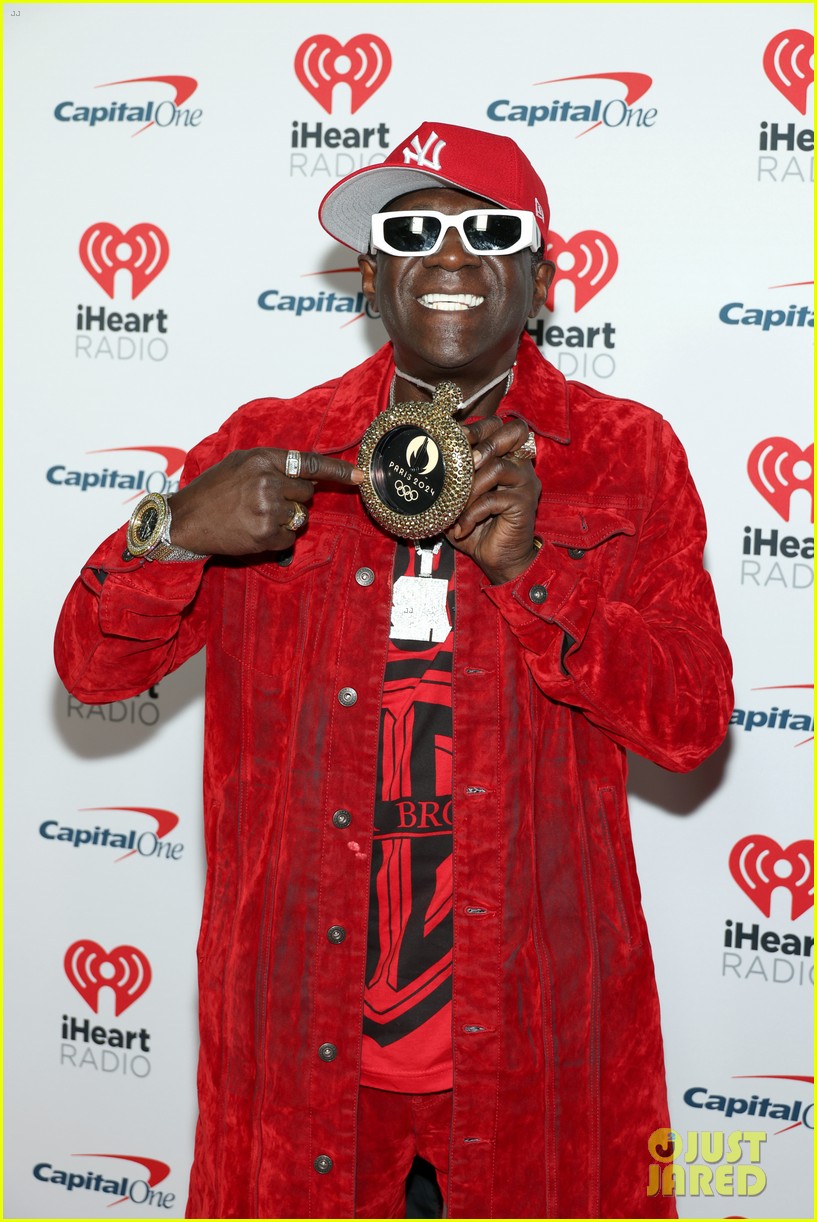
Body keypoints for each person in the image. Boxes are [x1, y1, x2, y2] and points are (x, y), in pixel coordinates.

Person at [55, 120, 733, 1220]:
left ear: (541, 272)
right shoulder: (270, 441)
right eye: (413, 230)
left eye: (490, 231)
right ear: (369, 273)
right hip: (298, 1056)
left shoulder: (623, 453)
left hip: (537, 1058)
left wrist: (532, 577)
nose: (452, 256)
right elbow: (90, 670)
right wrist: (171, 529)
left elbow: (692, 721)